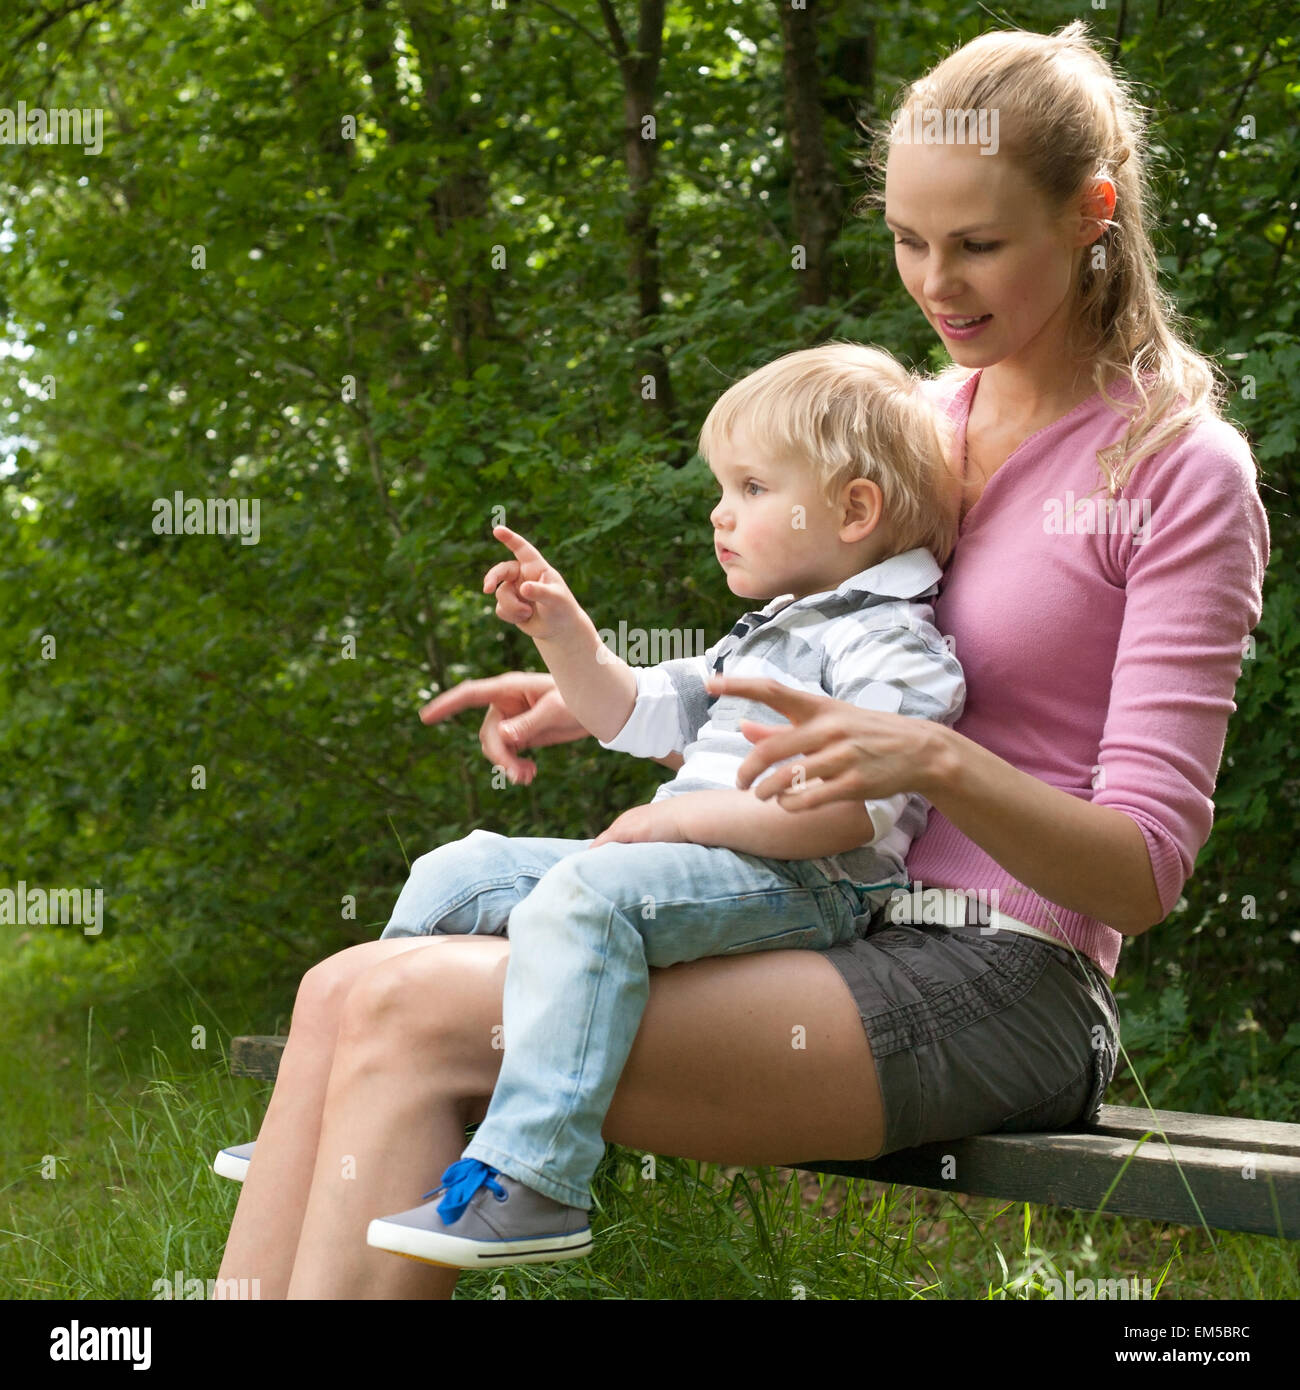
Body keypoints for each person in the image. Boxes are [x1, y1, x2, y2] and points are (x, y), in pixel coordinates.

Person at [213, 20, 1270, 1299]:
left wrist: (933, 758)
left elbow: (1143, 874)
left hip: (1005, 976)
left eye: (979, 243)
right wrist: (607, 694)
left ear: (1091, 212)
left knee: (415, 1011)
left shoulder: (1173, 470)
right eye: (906, 239)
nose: (937, 282)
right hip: (824, 919)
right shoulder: (908, 427)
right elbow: (799, 646)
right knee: (348, 983)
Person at [354, 344, 966, 1269]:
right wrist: (565, 634)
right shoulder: (770, 629)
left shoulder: (894, 645)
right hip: (693, 862)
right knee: (458, 870)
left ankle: (538, 1179)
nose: (721, 512)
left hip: (806, 883)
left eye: (753, 488)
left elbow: (844, 821)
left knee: (587, 898)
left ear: (853, 509)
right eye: (723, 487)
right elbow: (630, 709)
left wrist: (675, 820)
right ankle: (384, 1111)